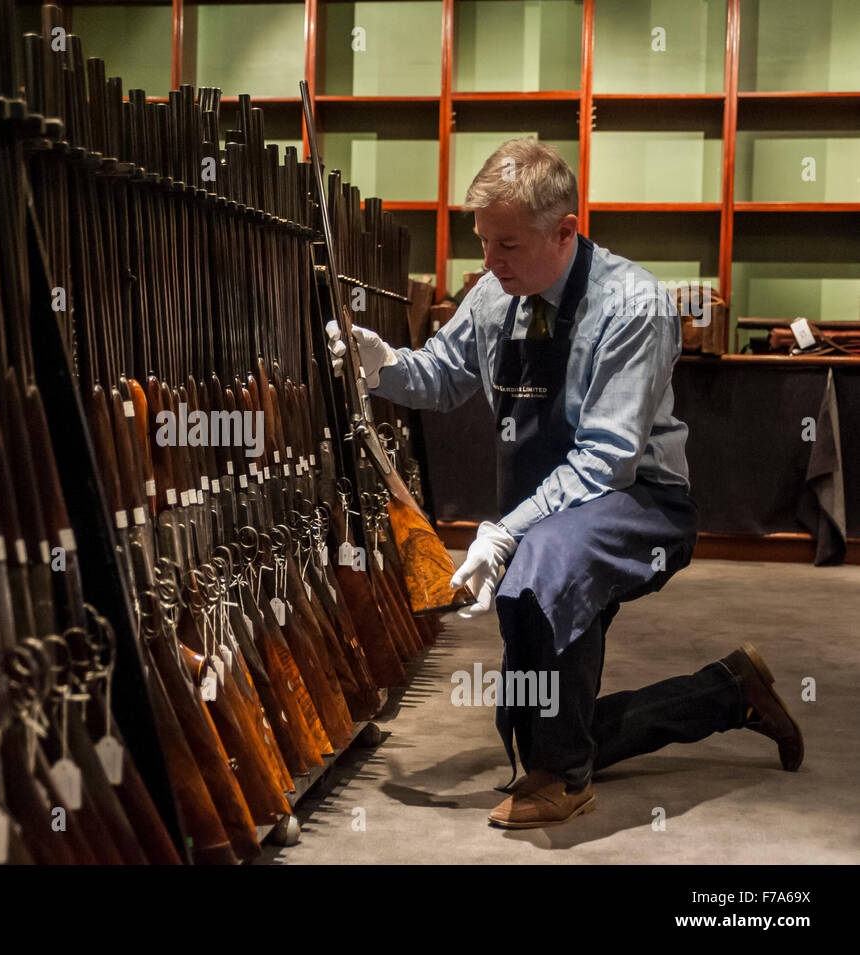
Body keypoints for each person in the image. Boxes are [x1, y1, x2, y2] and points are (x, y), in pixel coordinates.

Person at [325, 137, 804, 829]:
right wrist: (381, 363)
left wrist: (509, 531)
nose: (487, 264)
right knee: (534, 716)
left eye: (507, 246)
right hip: (545, 514)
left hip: (642, 503)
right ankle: (728, 692)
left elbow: (606, 459)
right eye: (483, 243)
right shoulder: (496, 292)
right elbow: (441, 375)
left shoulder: (632, 306)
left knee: (546, 571)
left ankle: (566, 779)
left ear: (566, 231)